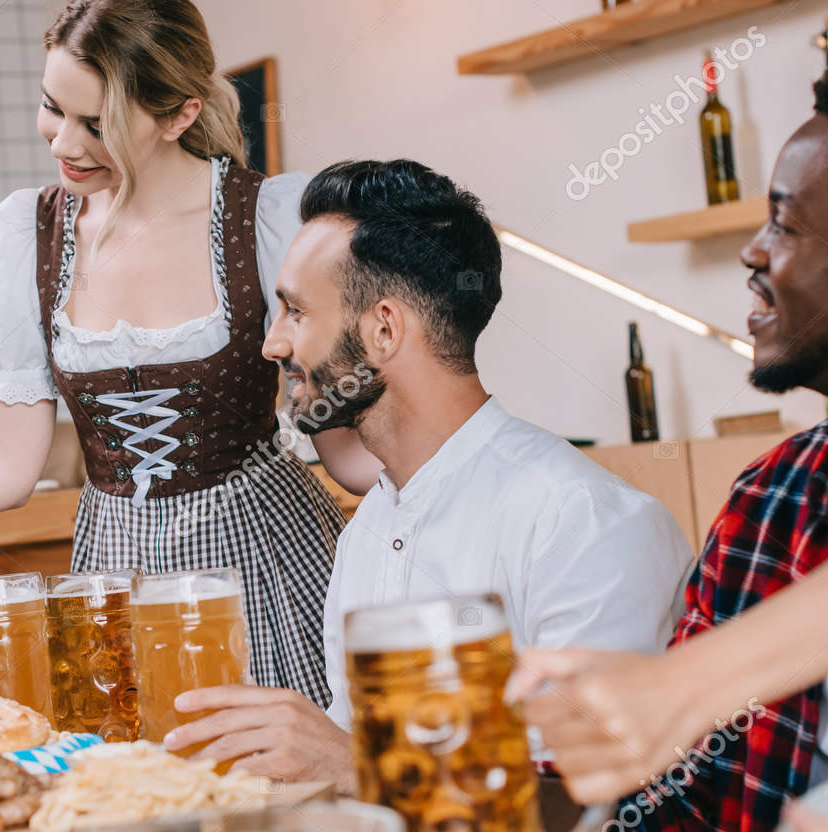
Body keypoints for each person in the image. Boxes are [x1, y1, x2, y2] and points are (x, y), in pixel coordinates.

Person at [0, 0, 376, 707]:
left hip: (264, 563)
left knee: (282, 781)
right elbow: (1, 468)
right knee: (133, 788)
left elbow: (347, 455)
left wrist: (478, 471)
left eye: (98, 125)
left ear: (179, 115)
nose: (64, 145)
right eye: (53, 108)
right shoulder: (30, 231)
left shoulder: (268, 217)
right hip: (113, 572)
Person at [530, 55, 828, 832]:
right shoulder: (771, 499)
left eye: (784, 223)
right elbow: (663, 809)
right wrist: (505, 793)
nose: (752, 252)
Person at [162, 160, 693, 783]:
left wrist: (355, 764)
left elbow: (606, 803)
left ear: (384, 329)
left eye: (295, 312)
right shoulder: (367, 529)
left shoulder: (583, 521)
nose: (272, 345)